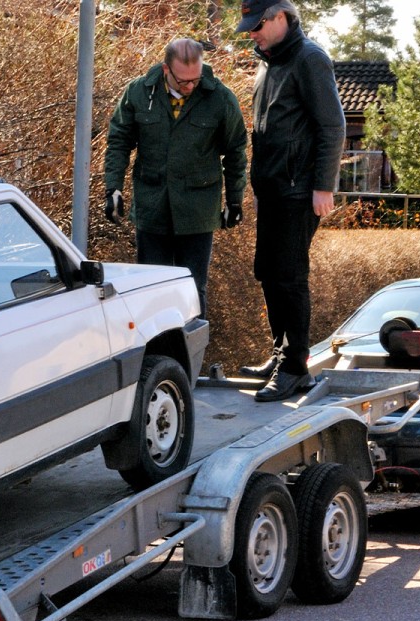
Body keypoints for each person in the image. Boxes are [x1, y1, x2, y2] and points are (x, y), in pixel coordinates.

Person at [235, 0, 345, 402]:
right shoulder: (269, 61)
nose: (253, 33)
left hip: (300, 190)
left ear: (281, 16)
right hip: (272, 188)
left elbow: (333, 125)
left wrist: (323, 186)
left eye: (258, 25)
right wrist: (259, 187)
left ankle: (295, 368)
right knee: (268, 271)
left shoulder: (309, 58)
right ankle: (281, 354)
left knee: (289, 275)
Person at [103, 38, 247, 319]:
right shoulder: (138, 93)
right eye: (183, 81)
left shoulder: (220, 98)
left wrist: (234, 200)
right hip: (152, 205)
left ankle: (192, 346)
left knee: (192, 289)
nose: (190, 86)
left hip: (198, 210)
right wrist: (113, 188)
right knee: (150, 288)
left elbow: (235, 151)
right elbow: (118, 142)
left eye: (196, 79)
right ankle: (157, 347)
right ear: (166, 69)